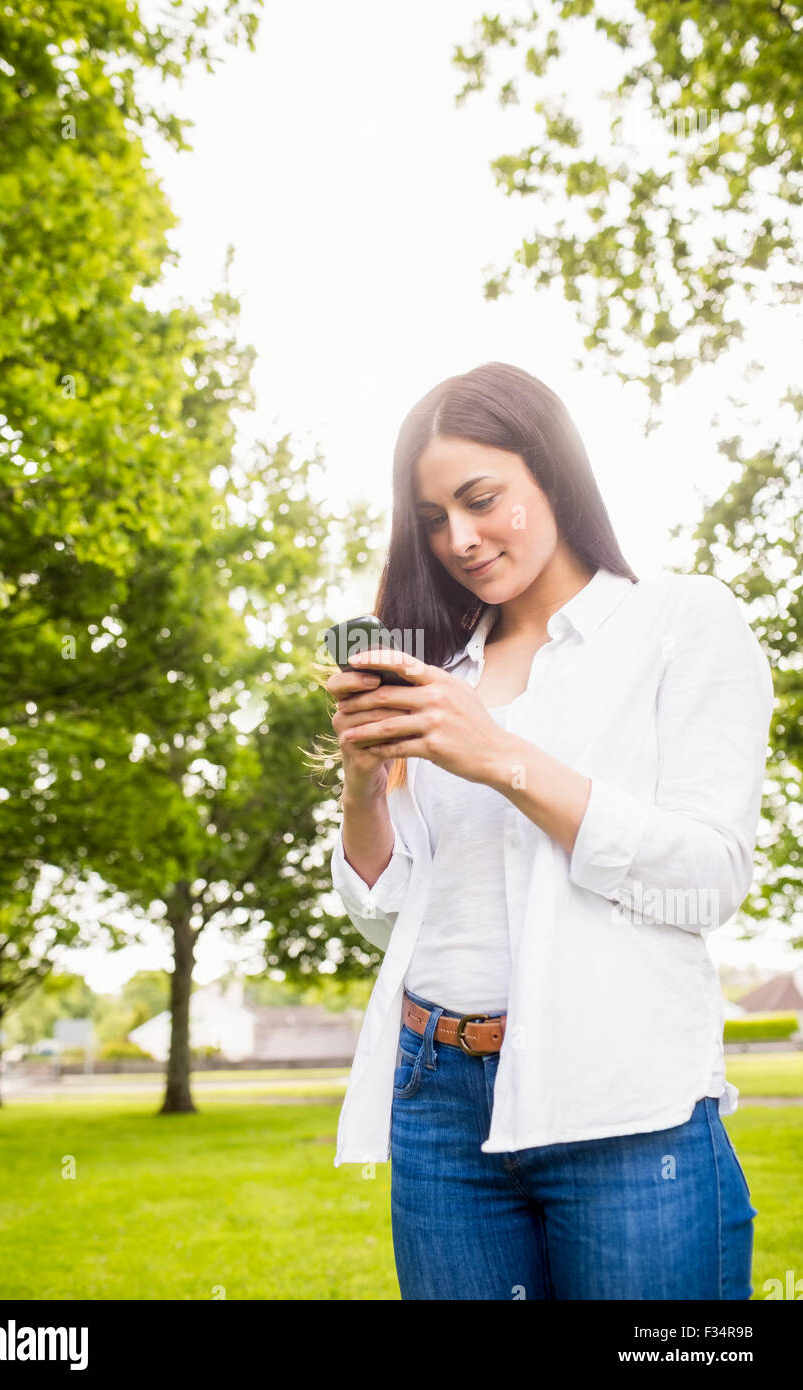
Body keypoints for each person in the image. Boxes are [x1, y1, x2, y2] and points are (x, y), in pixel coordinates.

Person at [320, 361, 774, 1301]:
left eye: (482, 500)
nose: (460, 538)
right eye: (434, 517)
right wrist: (364, 781)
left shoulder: (682, 621)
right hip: (439, 1101)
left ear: (554, 470)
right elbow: (386, 916)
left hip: (622, 1099)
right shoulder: (442, 671)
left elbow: (709, 879)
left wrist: (501, 757)